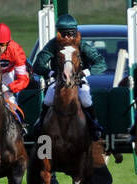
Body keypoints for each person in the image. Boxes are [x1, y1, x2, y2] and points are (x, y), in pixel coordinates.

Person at [30, 13, 106, 142]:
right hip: (58, 79)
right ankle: (40, 127)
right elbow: (38, 64)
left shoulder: (81, 44)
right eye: (63, 34)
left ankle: (95, 127)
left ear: (75, 32)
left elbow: (100, 62)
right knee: (48, 99)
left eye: (70, 33)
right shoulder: (53, 44)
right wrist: (50, 73)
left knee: (85, 99)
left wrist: (84, 73)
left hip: (78, 79)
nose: (66, 37)